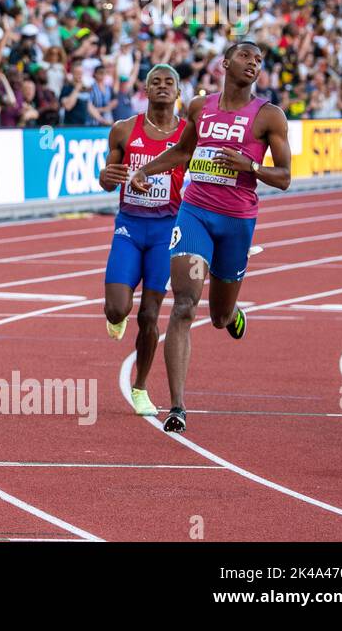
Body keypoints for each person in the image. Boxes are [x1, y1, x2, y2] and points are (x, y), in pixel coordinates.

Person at [129, 41, 292, 433]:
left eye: (258, 60)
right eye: (245, 56)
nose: (253, 63)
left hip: (237, 221)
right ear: (225, 63)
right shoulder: (200, 108)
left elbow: (285, 177)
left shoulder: (268, 116)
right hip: (195, 213)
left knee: (218, 316)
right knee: (184, 304)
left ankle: (233, 313)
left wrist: (250, 165)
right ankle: (178, 406)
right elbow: (184, 152)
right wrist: (147, 170)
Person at [96, 64, 185, 417]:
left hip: (166, 230)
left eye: (169, 83)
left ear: (178, 92)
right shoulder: (123, 130)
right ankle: (116, 317)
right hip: (130, 227)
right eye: (155, 83)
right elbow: (108, 180)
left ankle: (140, 386)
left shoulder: (187, 135)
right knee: (118, 307)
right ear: (144, 91)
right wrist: (105, 176)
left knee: (150, 315)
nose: (162, 87)